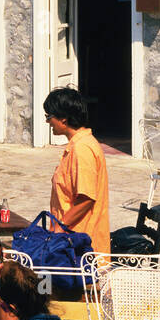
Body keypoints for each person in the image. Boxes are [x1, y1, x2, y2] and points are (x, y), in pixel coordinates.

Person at [45, 87, 111, 256]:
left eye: (49, 116)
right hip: (71, 239)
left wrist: (60, 228)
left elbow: (86, 198)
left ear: (64, 119)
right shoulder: (77, 145)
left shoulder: (82, 149)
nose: (47, 121)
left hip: (81, 245)